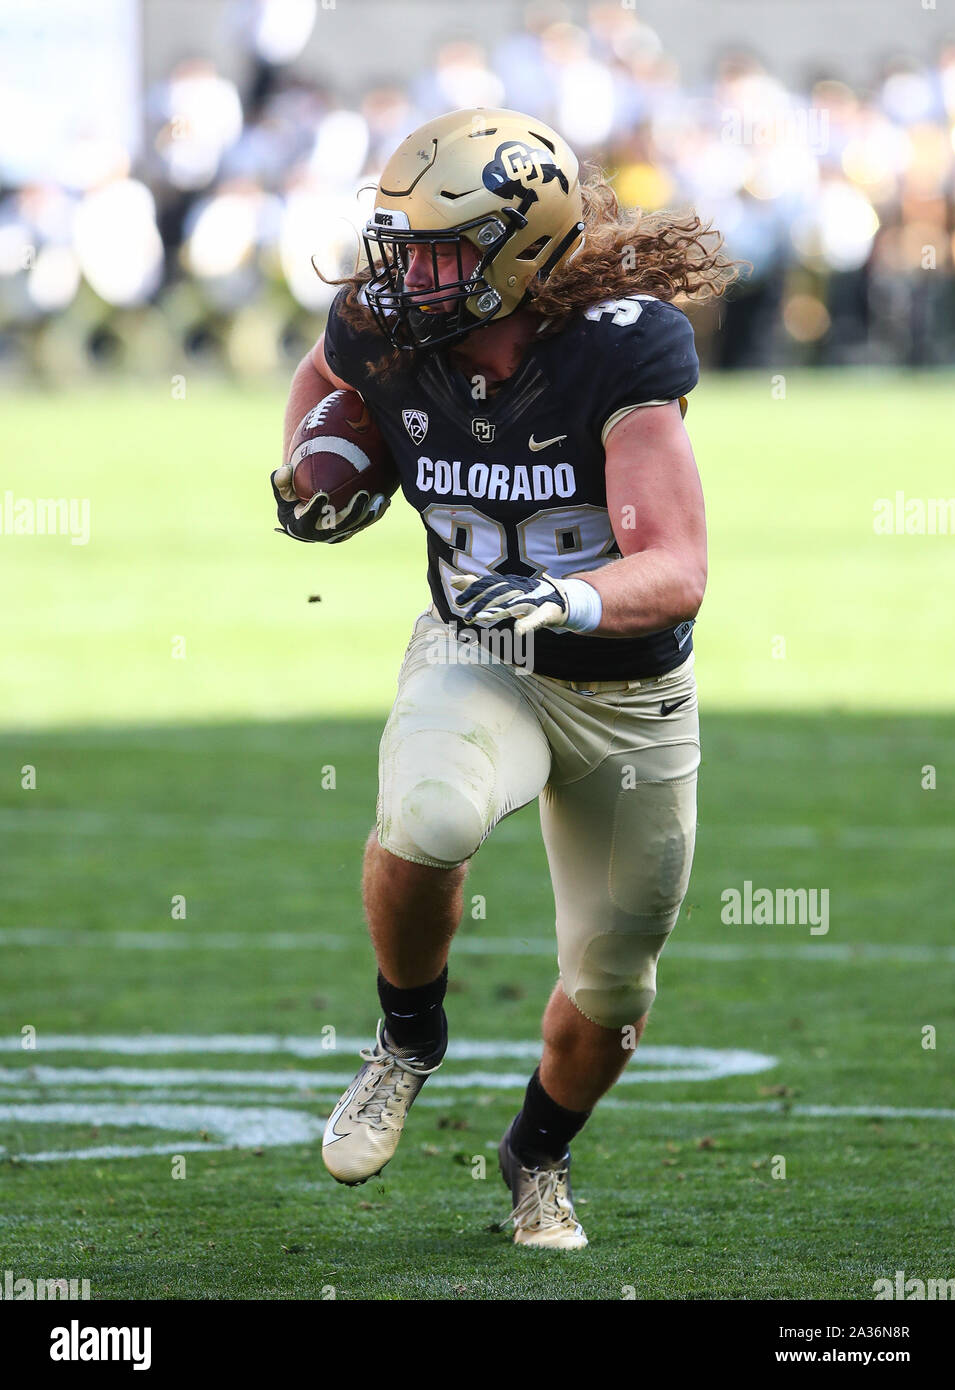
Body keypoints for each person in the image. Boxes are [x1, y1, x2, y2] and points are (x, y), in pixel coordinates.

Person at [272, 107, 736, 1248]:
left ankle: (536, 1154)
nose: (410, 276)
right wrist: (308, 471)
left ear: (520, 251)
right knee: (428, 815)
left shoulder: (620, 346)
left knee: (615, 980)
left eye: (441, 250)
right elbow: (323, 376)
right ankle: (406, 1037)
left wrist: (568, 597)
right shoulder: (385, 322)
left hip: (626, 690)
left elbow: (677, 566)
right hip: (480, 652)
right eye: (406, 245)